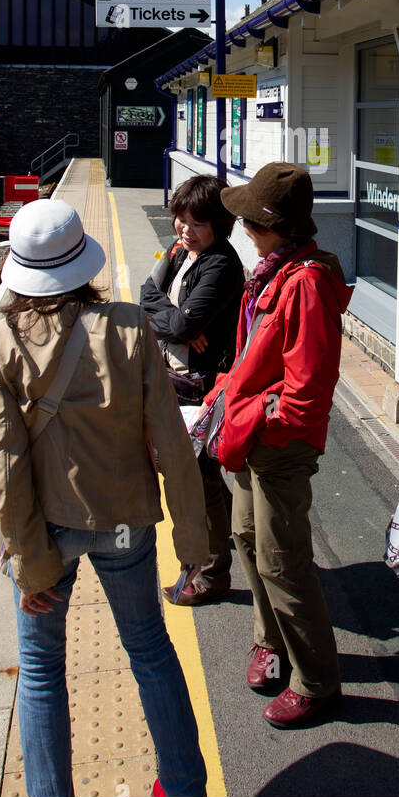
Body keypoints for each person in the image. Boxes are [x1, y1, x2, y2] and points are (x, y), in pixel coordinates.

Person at [0, 198, 208, 797]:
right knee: (151, 650)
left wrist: (28, 565)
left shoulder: (0, 342)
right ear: (83, 262)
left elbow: (4, 465)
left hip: (45, 527)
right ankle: (184, 787)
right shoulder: (131, 326)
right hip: (126, 522)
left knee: (43, 672)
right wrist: (192, 541)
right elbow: (173, 446)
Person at [203, 162, 352, 730]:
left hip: (277, 444)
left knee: (284, 562)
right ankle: (271, 642)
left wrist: (259, 417)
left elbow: (306, 394)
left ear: (273, 227)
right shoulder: (273, 271)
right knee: (246, 535)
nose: (239, 226)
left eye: (248, 219)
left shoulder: (305, 282)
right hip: (252, 436)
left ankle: (317, 683)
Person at [139, 175, 244, 605]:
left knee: (197, 481)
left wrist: (179, 323)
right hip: (173, 379)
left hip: (197, 387)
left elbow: (182, 324)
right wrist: (176, 321)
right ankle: (225, 541)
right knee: (203, 479)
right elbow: (146, 295)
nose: (184, 229)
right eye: (180, 219)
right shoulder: (182, 252)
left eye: (196, 222)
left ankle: (212, 575)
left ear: (219, 224)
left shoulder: (220, 264)